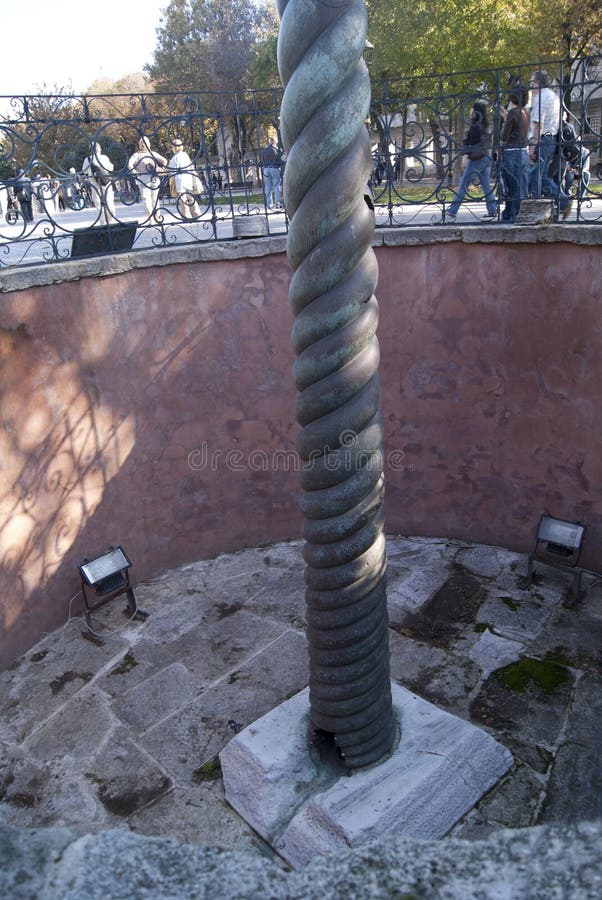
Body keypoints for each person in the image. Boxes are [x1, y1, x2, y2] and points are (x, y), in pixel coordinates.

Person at [439, 100, 497, 224]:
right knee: (486, 186)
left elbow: (472, 143)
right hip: (486, 158)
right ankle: (492, 209)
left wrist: (466, 150)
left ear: (475, 111)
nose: (470, 111)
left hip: (477, 159)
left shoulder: (476, 126)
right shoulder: (485, 125)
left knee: (463, 185)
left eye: (472, 108)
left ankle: (452, 210)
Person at [528, 70, 572, 220]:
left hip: (543, 139)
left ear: (538, 83)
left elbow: (538, 124)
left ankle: (537, 210)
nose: (530, 86)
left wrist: (533, 145)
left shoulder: (541, 98)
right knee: (542, 175)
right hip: (552, 138)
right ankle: (561, 202)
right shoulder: (554, 97)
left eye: (531, 83)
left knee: (536, 176)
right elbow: (563, 117)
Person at [499, 89, 530, 223]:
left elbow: (505, 135)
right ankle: (511, 214)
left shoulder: (512, 113)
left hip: (512, 152)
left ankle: (515, 216)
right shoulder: (526, 113)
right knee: (521, 186)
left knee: (512, 187)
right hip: (523, 151)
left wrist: (506, 120)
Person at [127, 136, 168, 224]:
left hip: (146, 179)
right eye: (142, 143)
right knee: (152, 199)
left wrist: (135, 172)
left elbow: (129, 165)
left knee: (149, 200)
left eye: (143, 143)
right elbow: (164, 161)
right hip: (150, 178)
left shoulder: (138, 155)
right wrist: (162, 168)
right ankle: (154, 218)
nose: (143, 145)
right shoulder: (148, 153)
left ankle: (152, 218)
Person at [82, 142, 116, 224]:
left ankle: (103, 222)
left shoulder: (87, 160)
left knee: (98, 204)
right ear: (100, 149)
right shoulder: (104, 158)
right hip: (106, 181)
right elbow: (111, 168)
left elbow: (84, 171)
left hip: (94, 183)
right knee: (109, 201)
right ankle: (111, 220)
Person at [168, 137, 200, 220]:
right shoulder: (185, 155)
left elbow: (172, 170)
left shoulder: (174, 158)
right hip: (188, 177)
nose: (172, 149)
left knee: (182, 198)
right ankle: (196, 213)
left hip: (180, 179)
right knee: (190, 197)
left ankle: (186, 215)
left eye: (172, 147)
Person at [260, 133, 285, 210]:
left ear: (270, 142)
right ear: (275, 141)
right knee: (277, 186)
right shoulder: (277, 149)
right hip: (274, 169)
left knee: (268, 187)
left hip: (266, 169)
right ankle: (277, 204)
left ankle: (269, 204)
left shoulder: (264, 150)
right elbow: (280, 161)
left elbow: (262, 161)